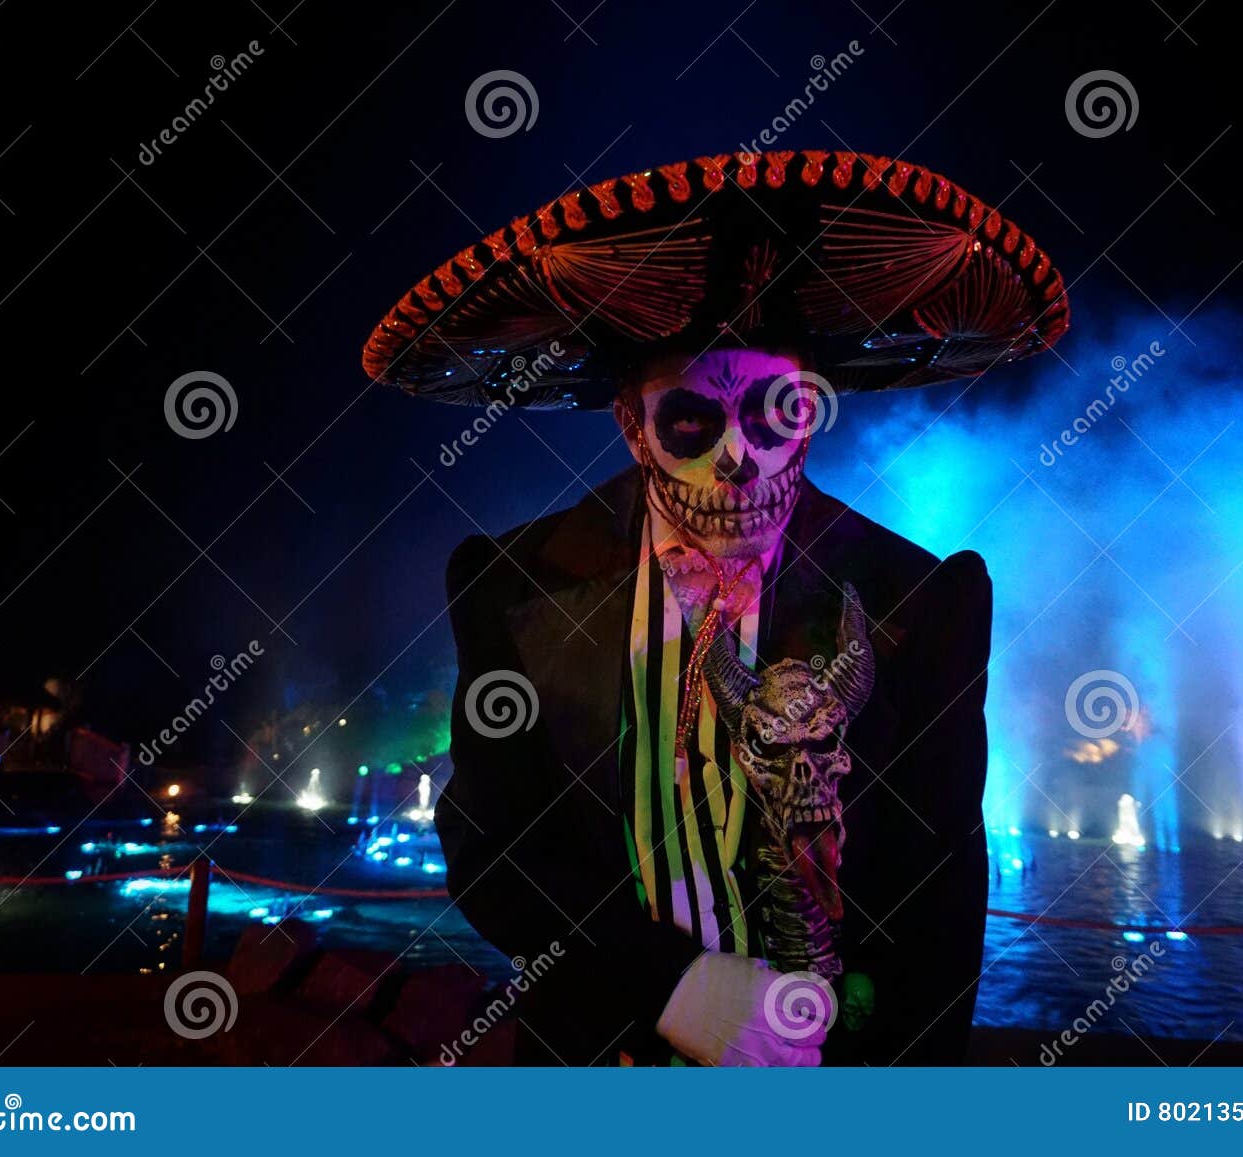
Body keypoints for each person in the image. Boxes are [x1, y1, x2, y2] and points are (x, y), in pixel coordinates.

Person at [361, 148, 1069, 1064]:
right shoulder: (513, 585)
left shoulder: (921, 599)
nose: (737, 460)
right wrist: (674, 987)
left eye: (776, 415)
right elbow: (492, 845)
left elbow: (939, 891)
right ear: (632, 425)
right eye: (692, 422)